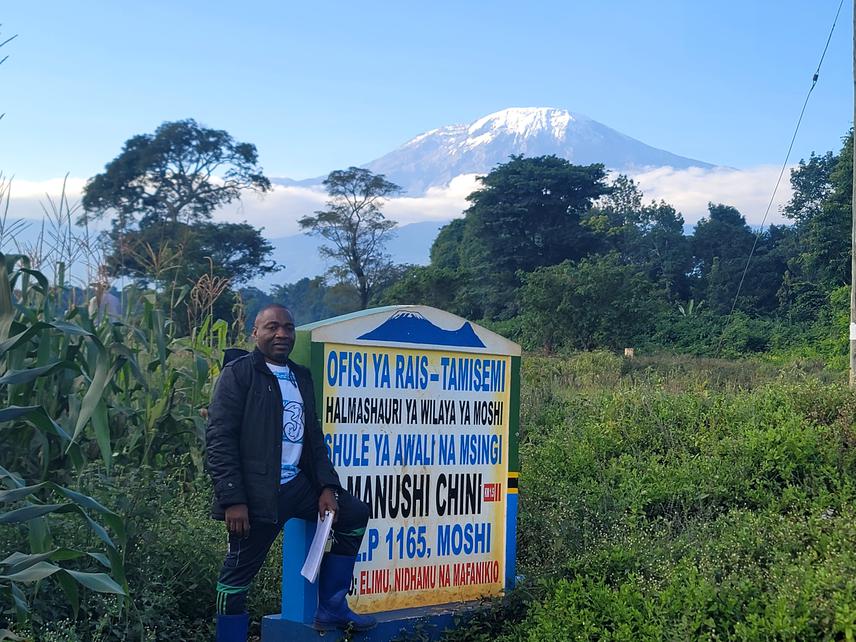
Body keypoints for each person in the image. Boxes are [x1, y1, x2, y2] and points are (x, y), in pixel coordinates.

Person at [206, 304, 374, 641]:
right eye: (272, 327)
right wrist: (232, 499)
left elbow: (313, 436)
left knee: (354, 513)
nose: (282, 334)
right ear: (256, 333)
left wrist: (327, 486)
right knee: (236, 577)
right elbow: (219, 439)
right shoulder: (239, 373)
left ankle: (331, 605)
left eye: (288, 327)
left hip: (297, 486)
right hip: (255, 495)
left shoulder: (300, 376)